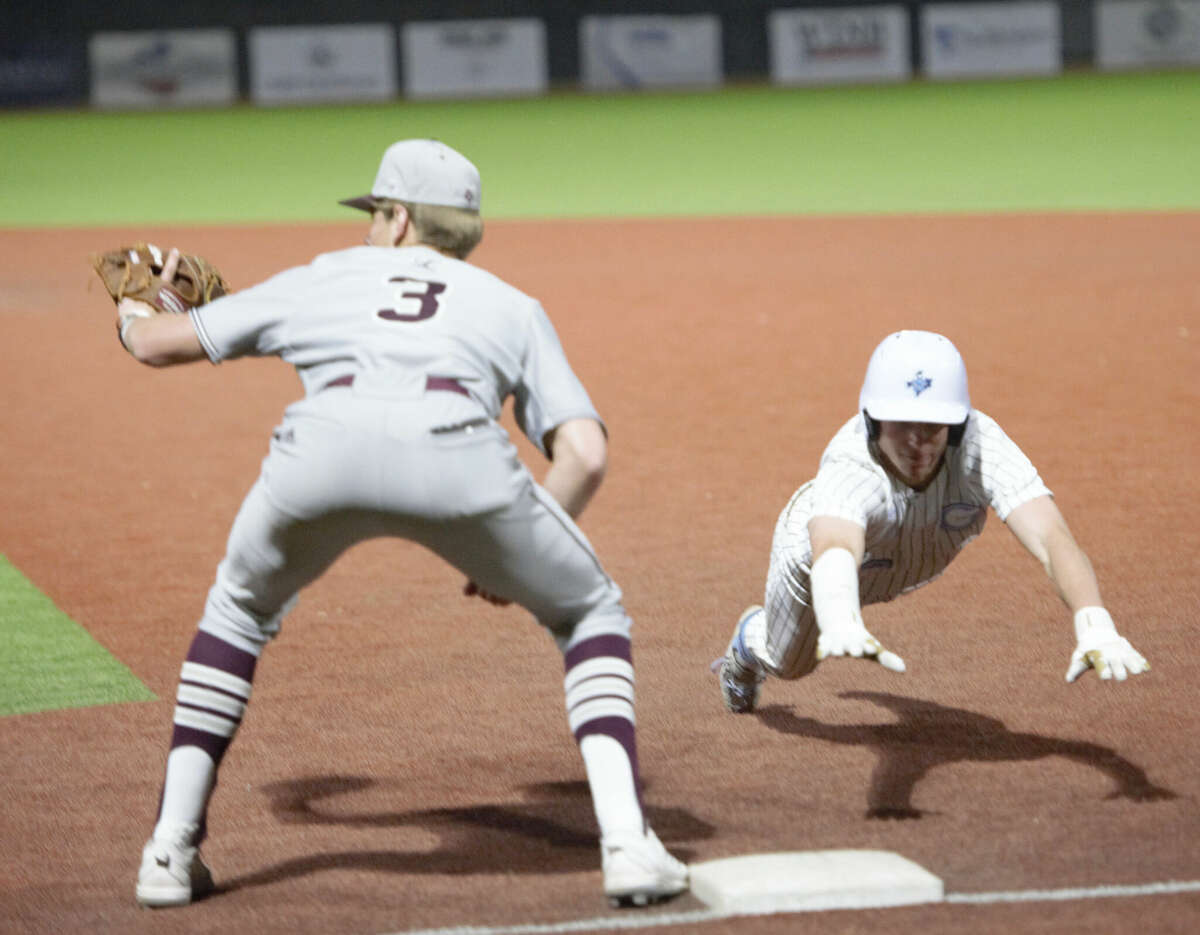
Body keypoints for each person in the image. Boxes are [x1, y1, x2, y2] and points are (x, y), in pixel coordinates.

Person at [115, 139, 687, 909]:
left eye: (374, 214)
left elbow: (154, 344)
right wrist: (509, 555)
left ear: (399, 217)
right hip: (460, 462)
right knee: (591, 610)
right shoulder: (511, 304)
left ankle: (168, 852)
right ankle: (627, 846)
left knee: (239, 611)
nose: (367, 229)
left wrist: (129, 313)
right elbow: (583, 454)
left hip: (317, 458)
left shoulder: (324, 276)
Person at [715, 329, 1149, 714]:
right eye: (903, 424)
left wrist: (1095, 622)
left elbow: (1052, 537)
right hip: (821, 571)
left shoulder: (981, 444)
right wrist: (841, 619)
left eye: (934, 426)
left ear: (957, 427)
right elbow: (835, 548)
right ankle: (747, 643)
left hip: (908, 558)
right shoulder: (849, 464)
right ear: (872, 420)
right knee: (791, 663)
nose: (918, 442)